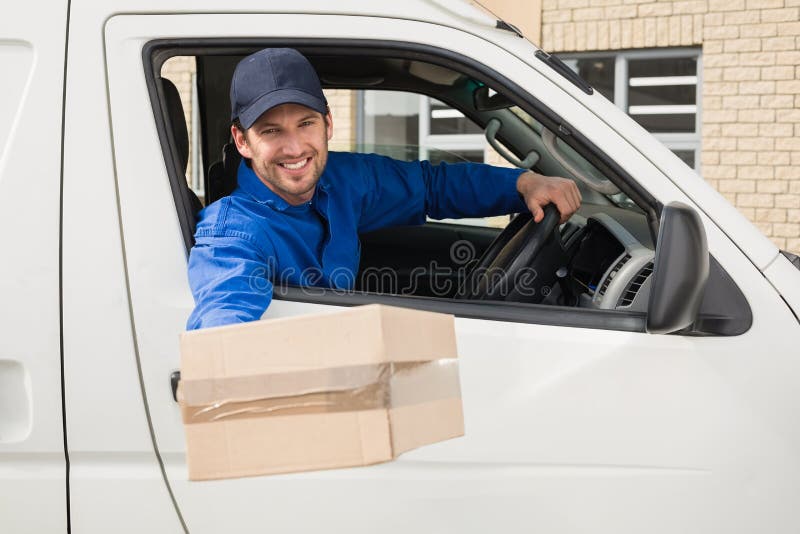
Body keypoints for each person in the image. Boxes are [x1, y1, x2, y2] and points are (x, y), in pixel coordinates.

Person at [186, 48, 581, 330]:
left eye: (305, 124)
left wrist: (523, 183)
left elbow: (431, 186)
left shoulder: (341, 179)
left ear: (327, 124)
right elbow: (223, 324)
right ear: (242, 141)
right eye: (271, 131)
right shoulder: (233, 233)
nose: (294, 148)